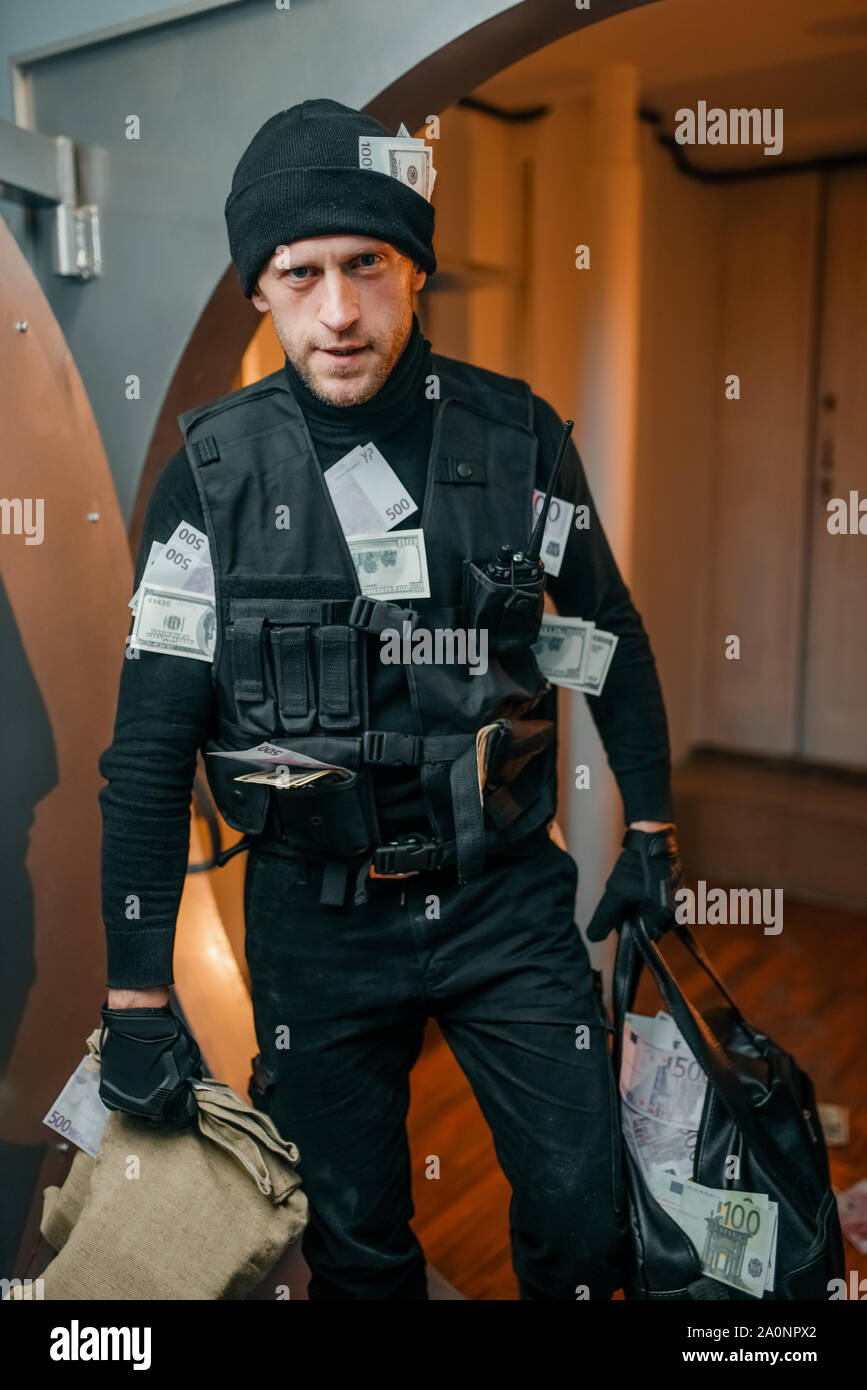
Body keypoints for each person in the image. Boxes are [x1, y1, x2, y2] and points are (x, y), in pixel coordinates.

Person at [97, 99, 683, 1300]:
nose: (340, 311)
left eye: (367, 264)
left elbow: (602, 642)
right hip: (318, 924)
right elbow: (150, 756)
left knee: (586, 1222)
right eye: (299, 272)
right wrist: (138, 995)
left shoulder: (521, 444)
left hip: (504, 901)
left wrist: (657, 824)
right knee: (358, 1249)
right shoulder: (207, 484)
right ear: (258, 289)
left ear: (417, 266)